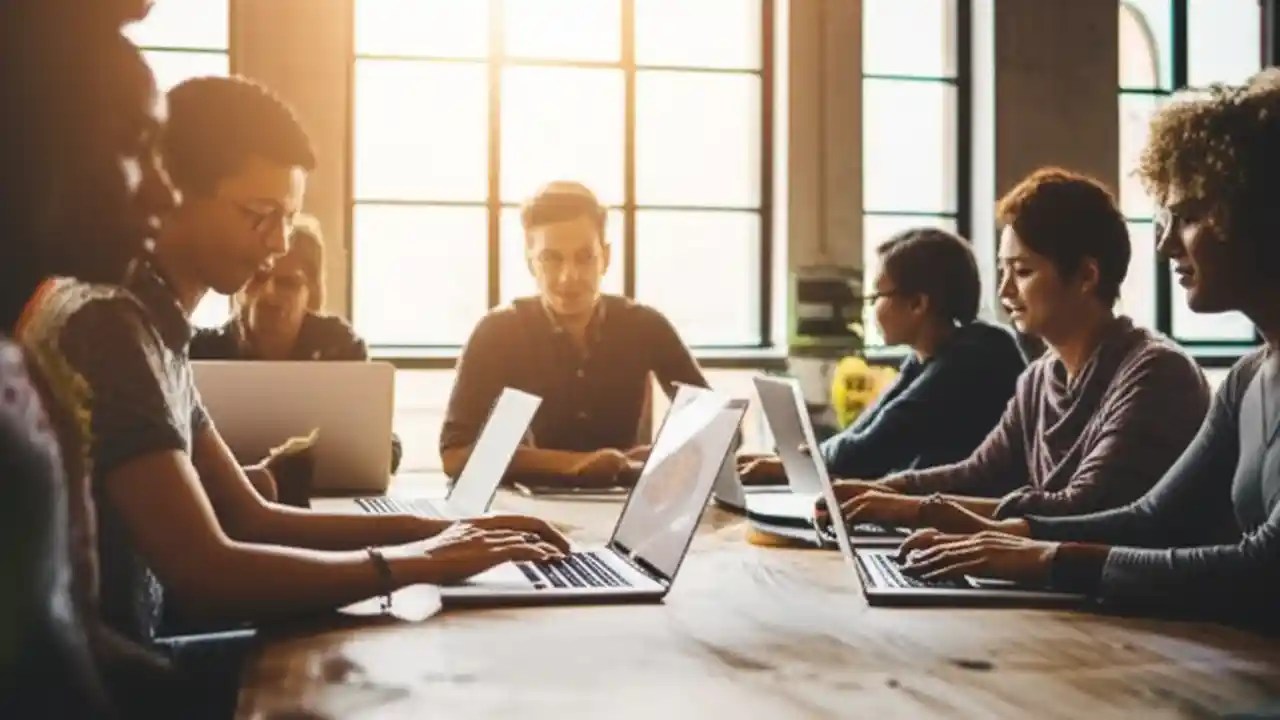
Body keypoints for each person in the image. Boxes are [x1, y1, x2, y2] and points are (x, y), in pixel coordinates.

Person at [17, 74, 567, 718]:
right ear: (173, 193)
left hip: (146, 649)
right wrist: (412, 563)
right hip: (116, 687)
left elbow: (255, 517)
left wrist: (447, 531)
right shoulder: (109, 325)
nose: (279, 244)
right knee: (393, 674)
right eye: (260, 216)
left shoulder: (151, 328)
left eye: (287, 218)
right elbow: (209, 572)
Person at [887, 70, 1280, 628]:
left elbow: (1265, 568)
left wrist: (1043, 557)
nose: (1166, 241)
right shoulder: (1246, 380)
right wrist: (1010, 540)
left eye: (1189, 216)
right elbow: (1148, 519)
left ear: (1263, 217)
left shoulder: (1158, 370)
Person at [824, 168, 1209, 530]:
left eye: (1022, 271)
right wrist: (884, 491)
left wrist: (914, 509)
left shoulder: (1155, 372)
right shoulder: (1040, 377)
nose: (1005, 291)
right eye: (1002, 270)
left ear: (1087, 276)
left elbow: (1083, 508)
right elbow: (978, 474)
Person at [441, 180, 709, 489]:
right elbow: (455, 454)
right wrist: (573, 464)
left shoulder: (645, 324)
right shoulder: (498, 331)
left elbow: (721, 431)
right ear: (530, 263)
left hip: (625, 504)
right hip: (529, 510)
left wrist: (666, 452)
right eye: (551, 259)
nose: (569, 277)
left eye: (585, 257)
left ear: (605, 258)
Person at [738, 228, 1025, 484]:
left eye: (876, 297)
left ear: (917, 303)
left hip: (968, 523)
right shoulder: (924, 358)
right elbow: (863, 431)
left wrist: (793, 464)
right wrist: (794, 461)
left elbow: (868, 452)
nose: (869, 309)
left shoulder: (978, 355)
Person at [191, 216, 404, 486]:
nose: (269, 294)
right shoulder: (204, 351)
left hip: (325, 496)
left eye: (288, 283)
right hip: (234, 499)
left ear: (311, 291)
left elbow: (383, 447)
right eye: (259, 278)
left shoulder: (339, 348)